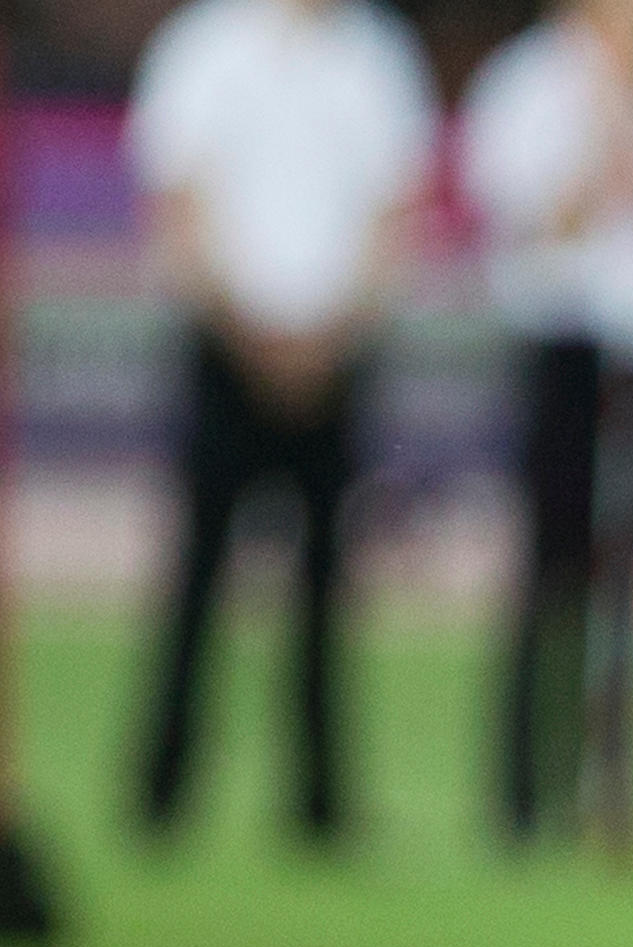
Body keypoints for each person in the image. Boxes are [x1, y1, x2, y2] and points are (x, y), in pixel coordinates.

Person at [127, 0, 436, 851]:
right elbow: (179, 201)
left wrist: (331, 334)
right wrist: (248, 329)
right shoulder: (205, 48)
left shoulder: (376, 57)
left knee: (328, 586)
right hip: (226, 347)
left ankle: (322, 800)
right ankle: (163, 788)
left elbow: (394, 210)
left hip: (338, 352)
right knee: (196, 576)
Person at [460, 0, 633, 854]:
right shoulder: (529, 86)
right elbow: (543, 220)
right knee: (548, 572)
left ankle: (615, 780)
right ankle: (523, 787)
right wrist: (610, 120)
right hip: (562, 346)